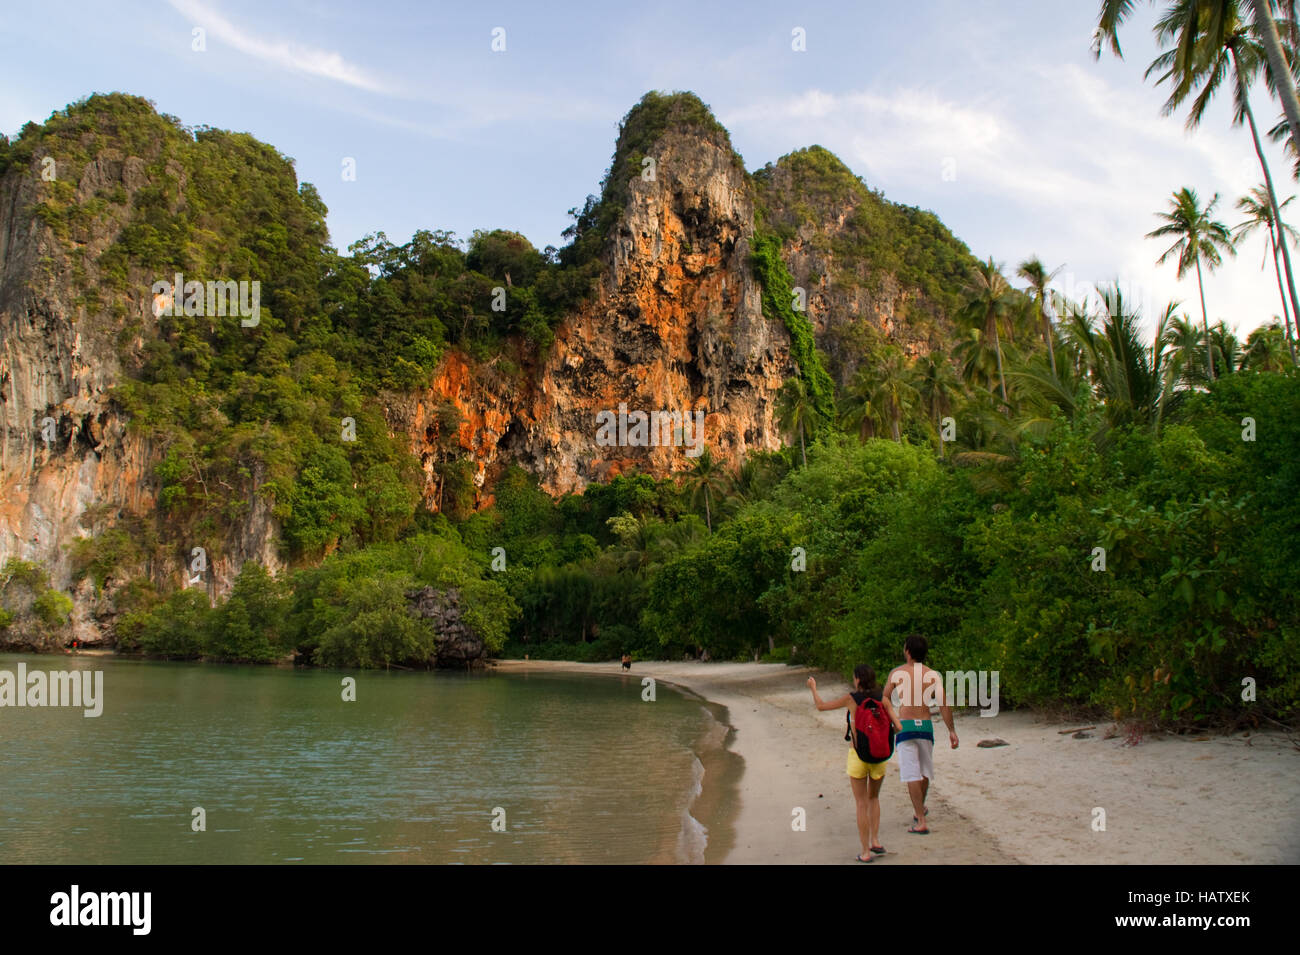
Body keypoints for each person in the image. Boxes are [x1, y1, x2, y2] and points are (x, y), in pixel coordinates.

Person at [808, 666, 902, 863]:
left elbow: (821, 706)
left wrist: (813, 688)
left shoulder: (851, 699)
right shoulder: (882, 699)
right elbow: (899, 726)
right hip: (880, 756)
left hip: (858, 756)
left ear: (858, 680)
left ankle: (865, 852)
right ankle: (875, 841)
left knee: (861, 803)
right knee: (874, 798)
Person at [884, 635, 958, 835]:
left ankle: (921, 819)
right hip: (925, 726)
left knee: (911, 773)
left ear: (907, 651)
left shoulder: (897, 673)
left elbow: (884, 698)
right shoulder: (932, 675)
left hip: (905, 726)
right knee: (924, 771)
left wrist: (890, 721)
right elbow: (944, 704)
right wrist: (951, 730)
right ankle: (920, 809)